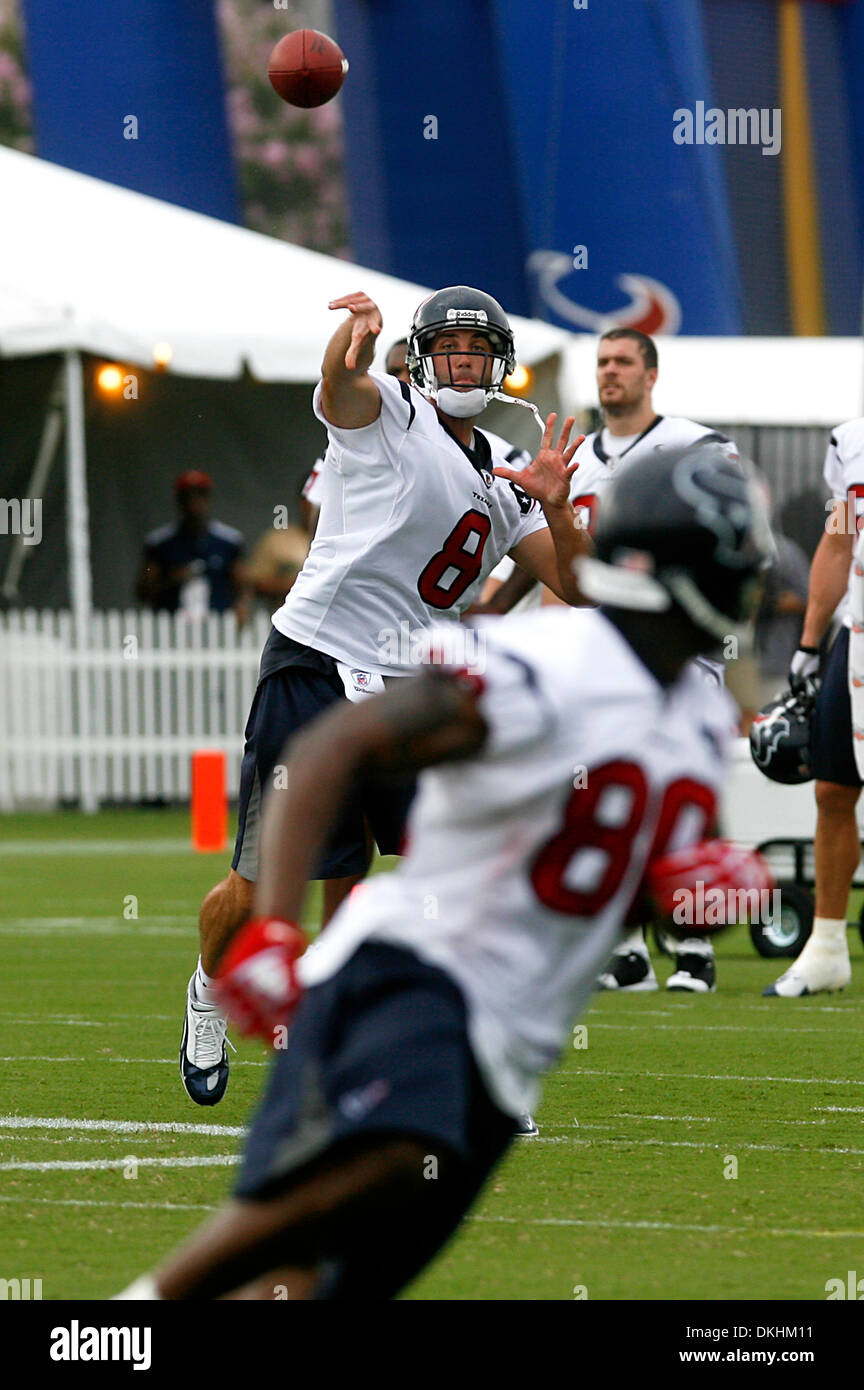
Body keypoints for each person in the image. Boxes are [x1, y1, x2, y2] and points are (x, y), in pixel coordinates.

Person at [115, 441, 773, 1301]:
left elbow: (620, 887)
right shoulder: (549, 661)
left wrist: (695, 893)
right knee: (380, 1162)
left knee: (333, 1282)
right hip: (417, 975)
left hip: (513, 1045)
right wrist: (277, 924)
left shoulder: (695, 713)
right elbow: (336, 744)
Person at [179, 284, 588, 1110]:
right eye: (450, 350)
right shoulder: (393, 414)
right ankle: (208, 988)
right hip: (318, 659)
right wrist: (350, 343)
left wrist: (558, 509)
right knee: (264, 884)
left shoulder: (508, 479)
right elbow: (340, 387)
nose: (463, 363)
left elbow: (578, 583)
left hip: (409, 685)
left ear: (499, 365)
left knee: (447, 873)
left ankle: (432, 1054)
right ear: (423, 359)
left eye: (477, 351)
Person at [761, 419, 864, 997]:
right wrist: (808, 641)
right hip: (857, 631)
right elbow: (839, 540)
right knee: (831, 787)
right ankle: (826, 946)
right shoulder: (850, 440)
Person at [137, 471, 247, 620]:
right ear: (179, 500)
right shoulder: (160, 543)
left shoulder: (229, 541)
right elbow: (144, 591)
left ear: (208, 498)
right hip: (171, 626)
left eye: (200, 494)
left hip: (216, 624)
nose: (193, 502)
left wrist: (241, 608)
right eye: (187, 496)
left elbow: (242, 586)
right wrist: (171, 580)